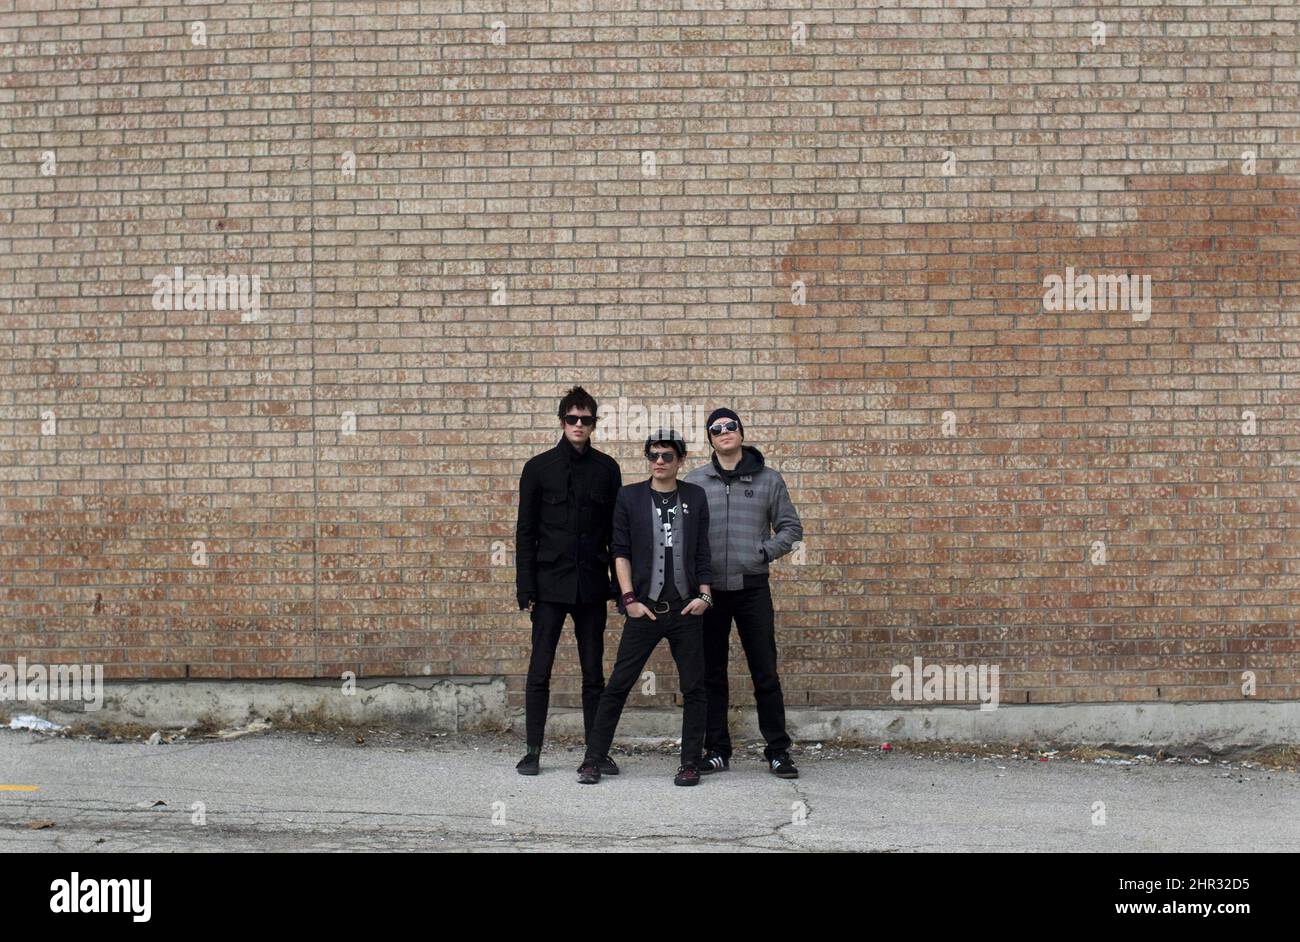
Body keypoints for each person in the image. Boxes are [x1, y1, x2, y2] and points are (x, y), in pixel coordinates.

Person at [577, 429, 713, 786]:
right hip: (645, 609)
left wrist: (705, 596)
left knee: (695, 688)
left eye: (667, 456)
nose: (659, 462)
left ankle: (689, 762)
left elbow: (702, 552)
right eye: (653, 455)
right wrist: (629, 600)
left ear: (680, 460)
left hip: (685, 609)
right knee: (619, 683)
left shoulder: (695, 497)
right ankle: (593, 759)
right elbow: (619, 552)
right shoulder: (630, 496)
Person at [685, 408, 804, 778]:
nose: (724, 432)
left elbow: (790, 528)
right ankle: (717, 749)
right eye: (716, 429)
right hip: (709, 593)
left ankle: (778, 751)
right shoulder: (695, 481)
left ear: (740, 431)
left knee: (764, 671)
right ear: (710, 438)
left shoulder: (768, 479)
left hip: (752, 589)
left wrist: (762, 551)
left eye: (730, 426)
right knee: (711, 674)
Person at [514, 386, 622, 776]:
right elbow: (525, 532)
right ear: (562, 421)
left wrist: (620, 586)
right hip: (548, 585)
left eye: (586, 419)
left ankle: (595, 753)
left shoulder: (607, 469)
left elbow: (616, 534)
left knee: (594, 674)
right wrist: (524, 587)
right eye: (572, 418)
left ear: (594, 424)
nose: (579, 425)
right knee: (539, 670)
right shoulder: (538, 468)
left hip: (592, 586)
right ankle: (532, 751)